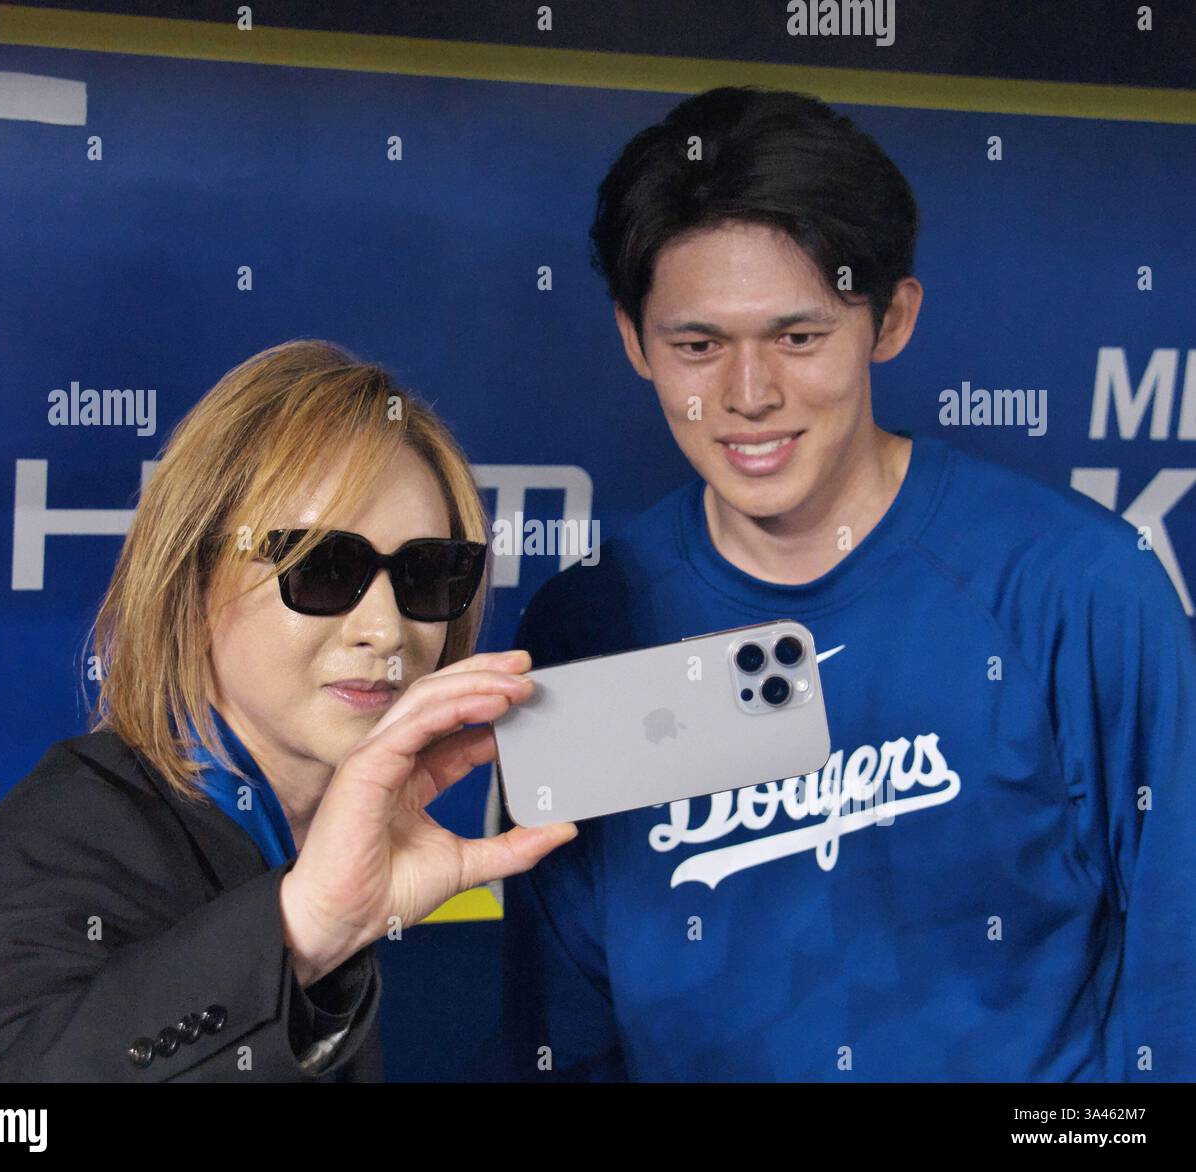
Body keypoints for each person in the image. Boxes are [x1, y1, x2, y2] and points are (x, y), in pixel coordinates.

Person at [501, 86, 1196, 1081]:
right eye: (697, 344)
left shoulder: (1077, 586)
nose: (749, 394)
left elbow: (1176, 988)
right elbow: (566, 1013)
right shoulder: (592, 619)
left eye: (798, 335)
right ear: (632, 339)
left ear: (891, 317)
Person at [0, 339, 575, 1082]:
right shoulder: (58, 836)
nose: (388, 629)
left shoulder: (326, 830)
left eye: (427, 575)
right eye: (323, 568)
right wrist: (301, 928)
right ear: (192, 586)